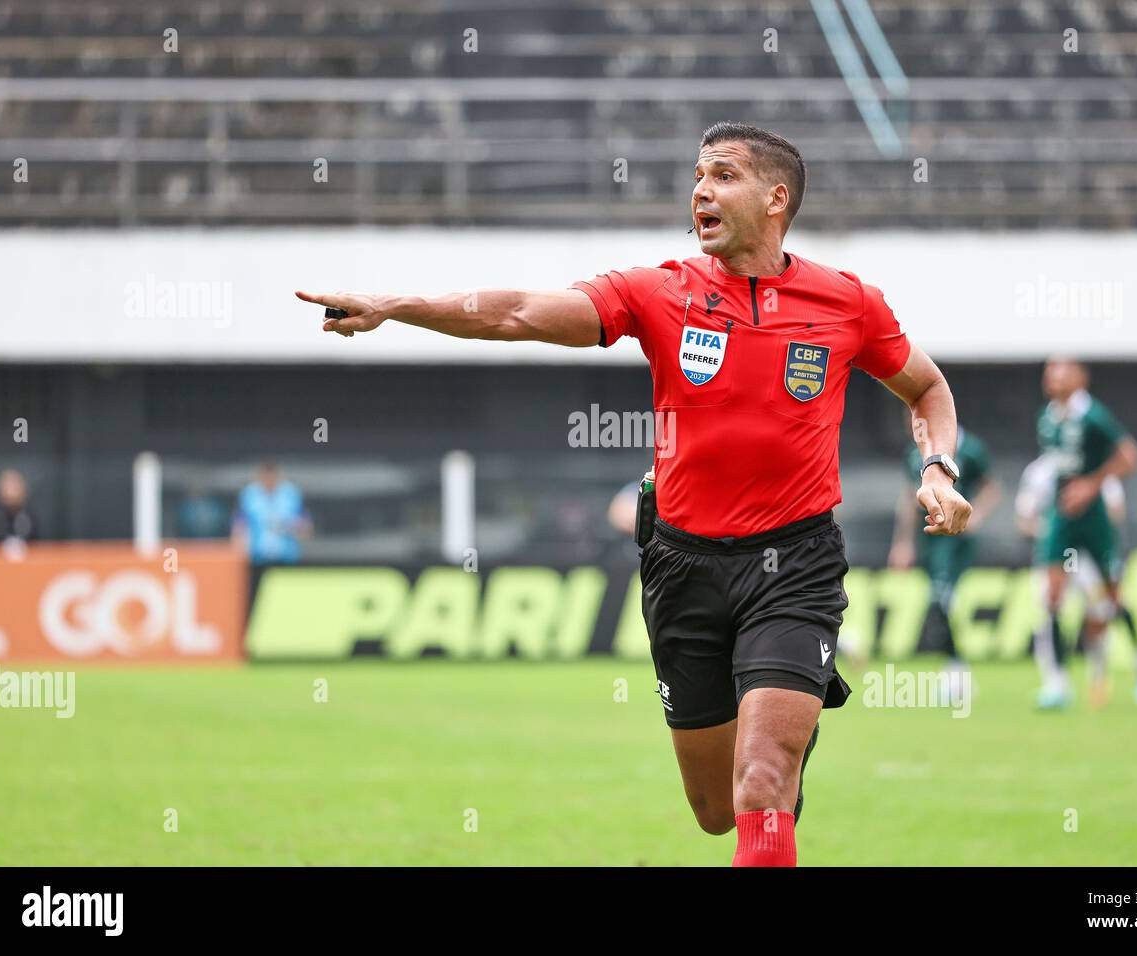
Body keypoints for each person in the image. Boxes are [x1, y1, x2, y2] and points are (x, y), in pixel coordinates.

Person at [295, 122, 973, 867]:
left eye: (721, 175)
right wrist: (399, 305)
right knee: (717, 810)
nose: (700, 191)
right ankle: (770, 780)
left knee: (760, 780)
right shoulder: (659, 291)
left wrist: (938, 468)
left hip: (796, 562)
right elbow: (514, 310)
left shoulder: (847, 303)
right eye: (698, 176)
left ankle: (774, 770)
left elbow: (928, 388)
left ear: (776, 198)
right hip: (682, 568)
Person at [1031, 357, 1137, 710]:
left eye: (1062, 372)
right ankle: (1057, 683)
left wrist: (1091, 485)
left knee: (1113, 598)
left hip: (1094, 517)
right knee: (1051, 596)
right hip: (1061, 516)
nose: (1053, 378)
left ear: (1080, 378)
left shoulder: (1094, 416)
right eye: (1049, 372)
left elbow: (1131, 457)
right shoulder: (1047, 419)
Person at [888, 416, 999, 699]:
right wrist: (903, 543)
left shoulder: (969, 449)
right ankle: (955, 669)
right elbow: (908, 499)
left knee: (942, 598)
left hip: (956, 541)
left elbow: (991, 488)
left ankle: (956, 673)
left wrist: (977, 516)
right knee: (941, 602)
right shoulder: (915, 454)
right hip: (929, 538)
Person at [231, 462, 311, 564]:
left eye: (272, 477)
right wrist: (239, 550)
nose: (269, 481)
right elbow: (238, 525)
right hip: (257, 556)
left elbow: (306, 526)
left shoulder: (291, 494)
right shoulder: (249, 494)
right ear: (260, 476)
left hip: (286, 556)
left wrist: (293, 527)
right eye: (266, 477)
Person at [0, 469, 42, 544]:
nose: (10, 490)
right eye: (7, 486)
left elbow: (39, 545)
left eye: (15, 486)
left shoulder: (30, 515)